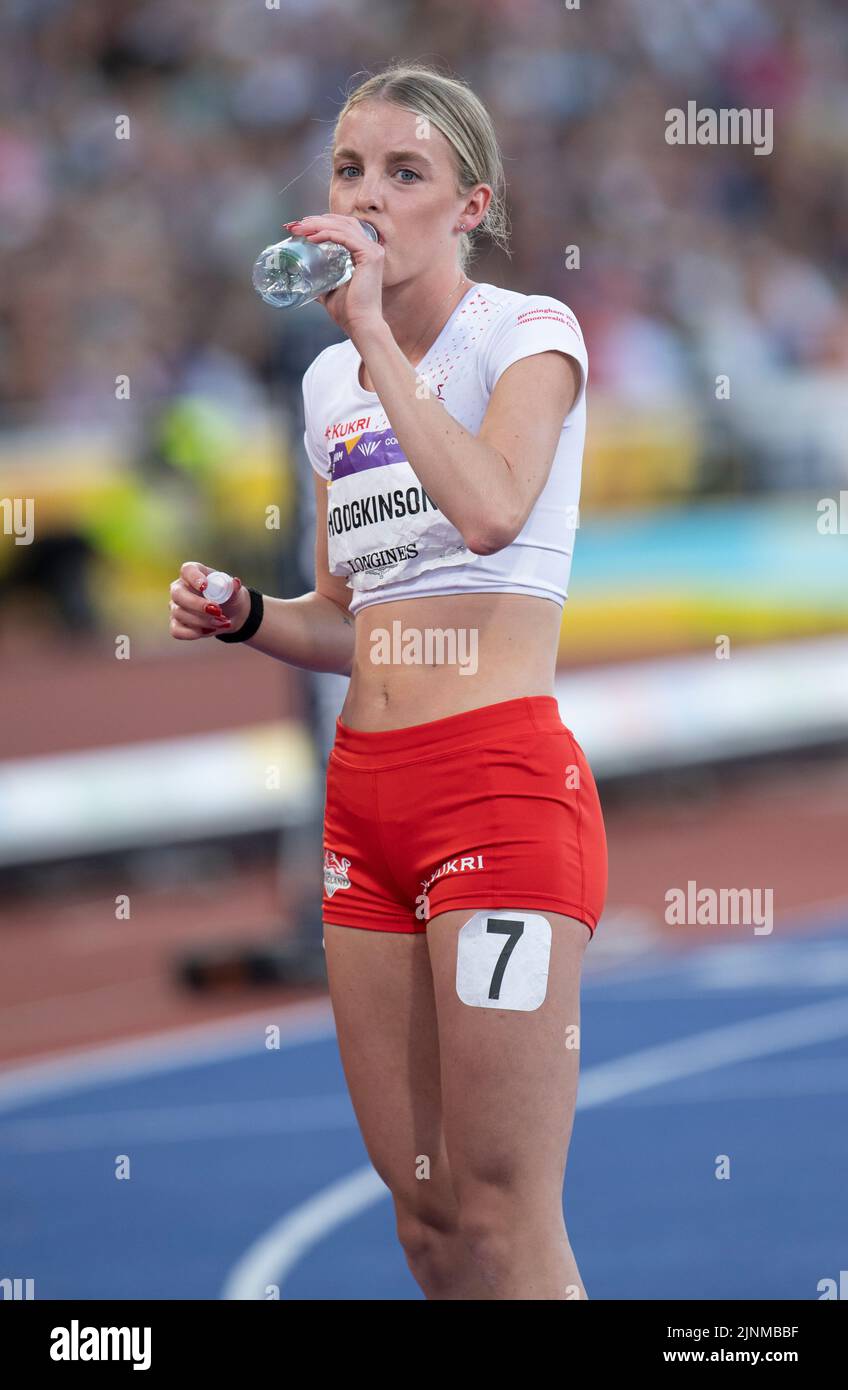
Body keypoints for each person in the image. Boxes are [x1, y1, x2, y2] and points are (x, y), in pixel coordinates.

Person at [169, 61, 607, 1301]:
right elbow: (349, 620)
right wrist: (248, 614)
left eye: (404, 173)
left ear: (469, 207)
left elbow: (489, 510)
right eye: (349, 169)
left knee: (504, 1213)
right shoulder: (327, 388)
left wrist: (370, 334)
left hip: (497, 793)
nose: (365, 196)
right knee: (426, 1221)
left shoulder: (527, 335)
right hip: (364, 799)